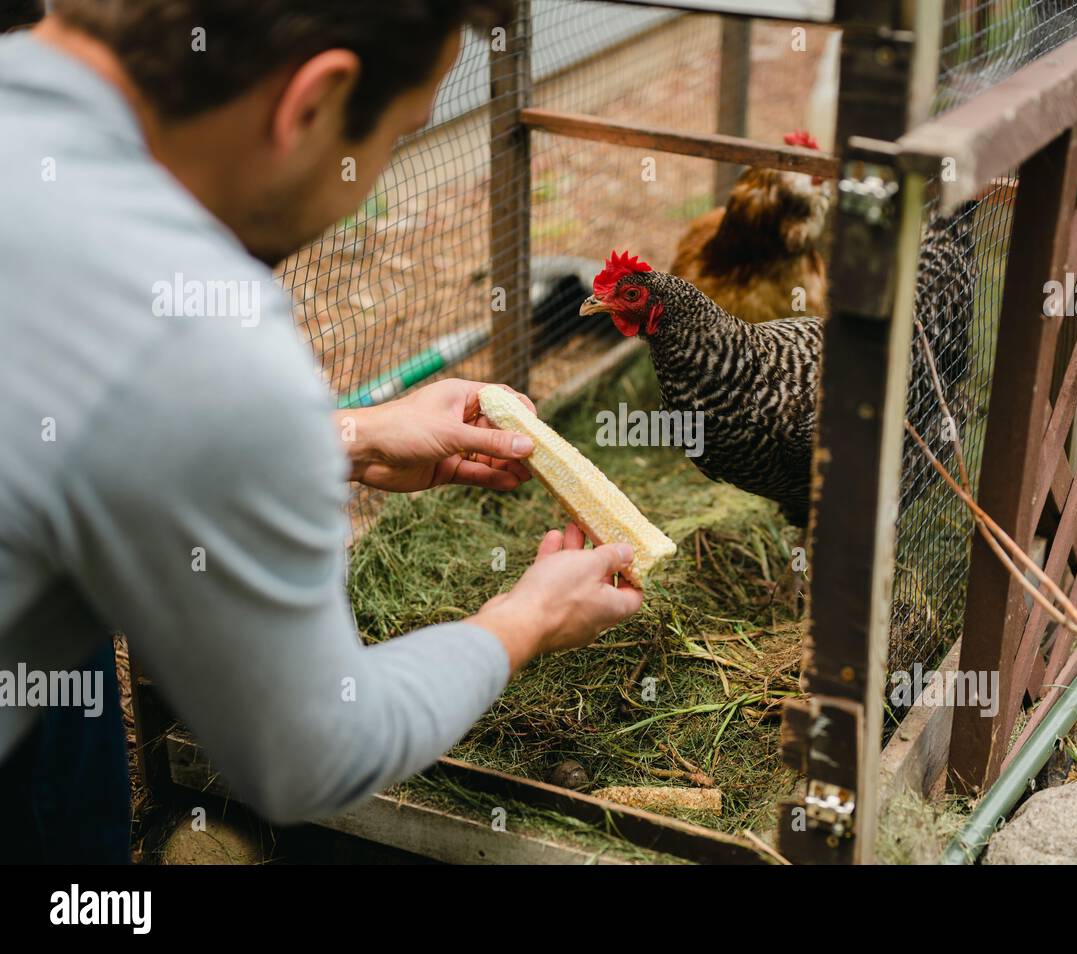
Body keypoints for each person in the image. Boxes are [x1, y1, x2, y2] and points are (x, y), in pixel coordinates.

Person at [0, 0, 642, 863]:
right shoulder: (199, 336)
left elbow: (85, 430)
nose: (368, 179)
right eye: (397, 136)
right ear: (316, 100)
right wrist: (524, 619)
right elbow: (310, 759)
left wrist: (349, 436)